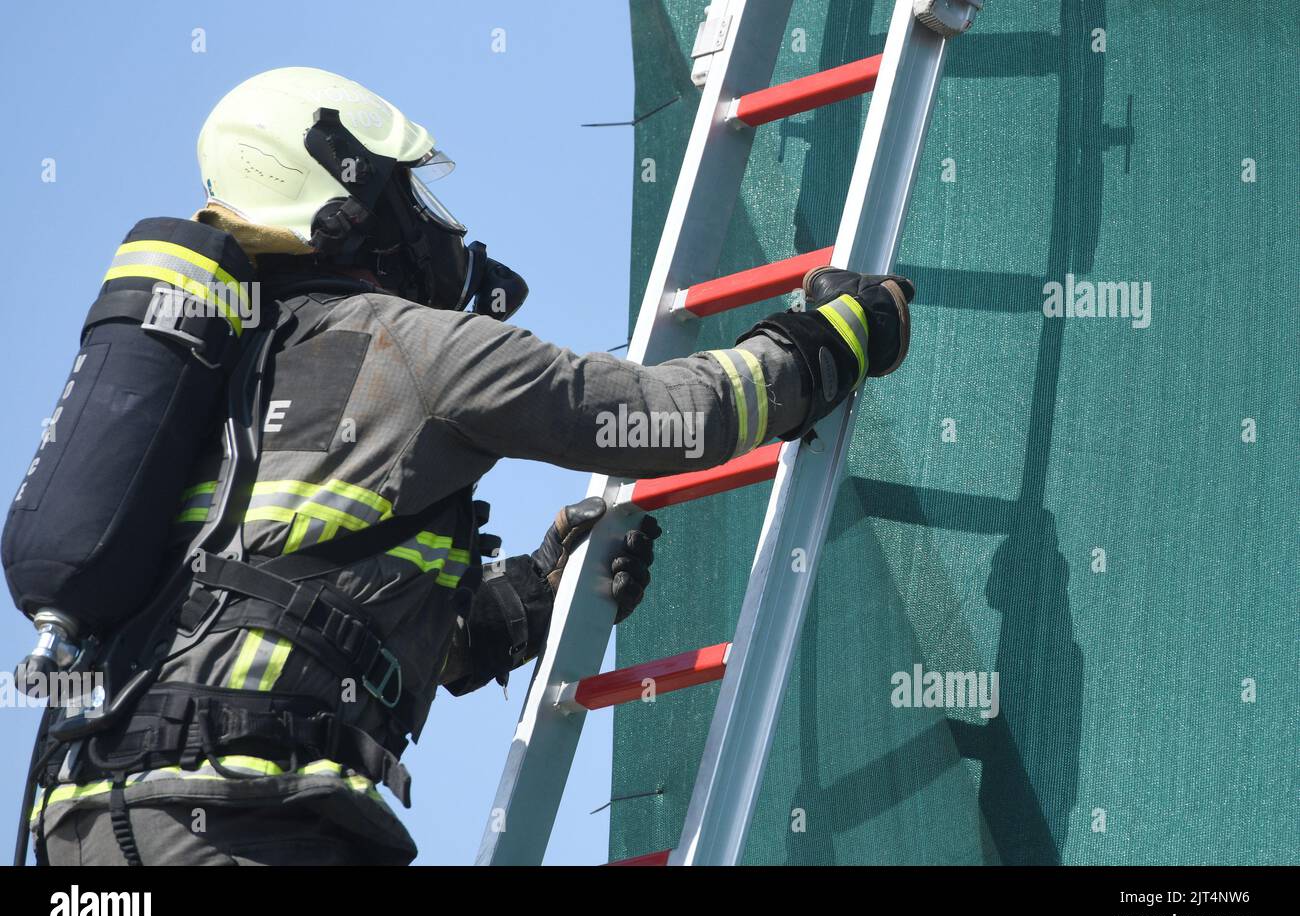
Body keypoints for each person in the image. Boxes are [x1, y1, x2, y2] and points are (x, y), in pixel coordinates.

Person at [35, 67, 914, 865]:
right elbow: (674, 418)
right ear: (351, 194)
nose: (424, 217)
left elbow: (299, 616)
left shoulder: (209, 381)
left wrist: (530, 593)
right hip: (244, 821)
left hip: (84, 832)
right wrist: (833, 338)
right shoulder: (408, 345)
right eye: (402, 187)